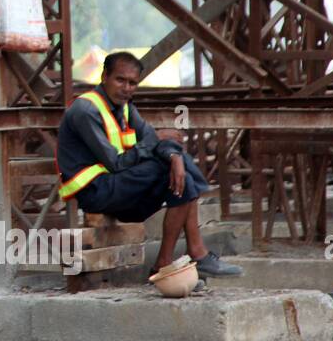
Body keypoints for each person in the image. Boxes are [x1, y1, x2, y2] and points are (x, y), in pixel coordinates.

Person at [56, 51, 242, 278]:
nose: (126, 88)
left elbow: (153, 138)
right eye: (120, 80)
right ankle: (192, 256)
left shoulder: (125, 107)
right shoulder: (86, 110)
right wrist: (162, 146)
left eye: (132, 83)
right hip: (96, 191)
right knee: (173, 172)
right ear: (104, 76)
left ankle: (172, 262)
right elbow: (116, 162)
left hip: (121, 188)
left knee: (180, 176)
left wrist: (174, 157)